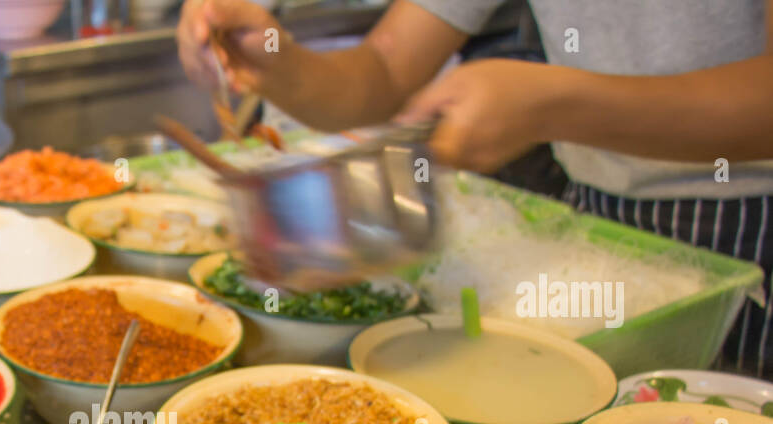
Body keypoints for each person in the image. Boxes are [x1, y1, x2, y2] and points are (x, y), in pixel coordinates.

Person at [178, 0, 773, 377]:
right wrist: (274, 56)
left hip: (748, 226)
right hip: (596, 216)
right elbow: (385, 67)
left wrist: (552, 102)